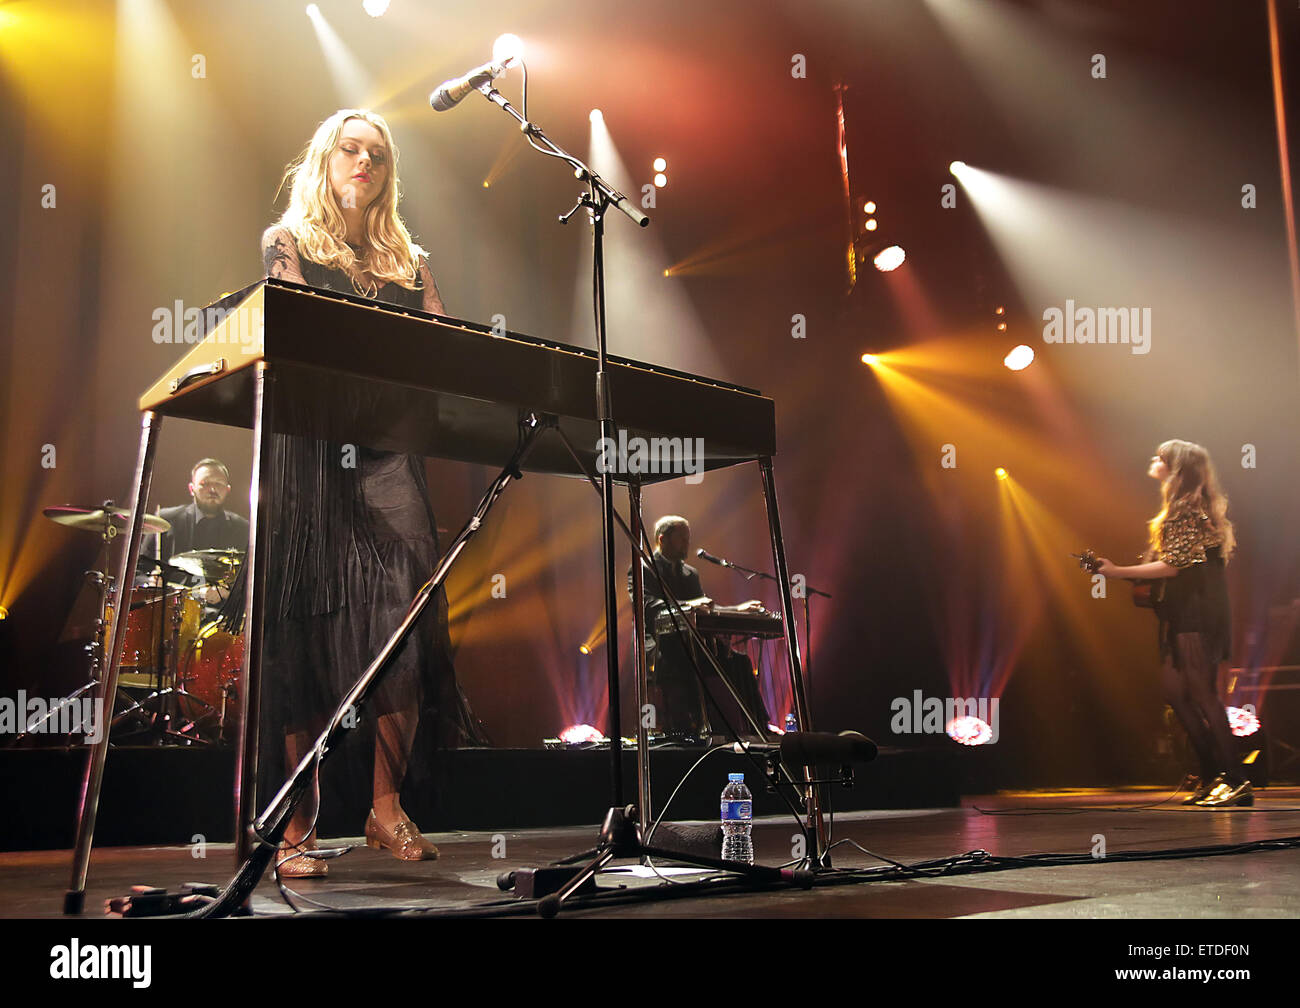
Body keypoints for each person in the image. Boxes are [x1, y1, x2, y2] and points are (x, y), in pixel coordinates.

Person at [259, 108, 465, 876]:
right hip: (313, 452)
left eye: (377, 153)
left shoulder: (409, 260)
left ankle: (385, 810)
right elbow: (294, 333)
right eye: (350, 148)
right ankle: (298, 825)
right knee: (310, 635)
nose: (363, 161)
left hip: (387, 454)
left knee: (407, 626)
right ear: (324, 159)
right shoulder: (288, 242)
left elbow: (443, 345)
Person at [1095, 440, 1248, 807]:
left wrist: (1116, 572)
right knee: (1175, 692)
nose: (1153, 460)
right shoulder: (1181, 510)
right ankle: (1213, 776)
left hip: (1196, 611)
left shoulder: (1186, 511)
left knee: (1203, 694)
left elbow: (1174, 567)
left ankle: (1237, 780)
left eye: (1160, 457)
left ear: (1176, 469)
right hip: (1183, 611)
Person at [629, 515, 771, 738]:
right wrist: (689, 605)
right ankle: (691, 729)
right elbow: (648, 607)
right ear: (662, 539)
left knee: (740, 662)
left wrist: (737, 610)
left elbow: (706, 607)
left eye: (688, 538)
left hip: (692, 644)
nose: (687, 544)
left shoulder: (690, 574)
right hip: (660, 646)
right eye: (681, 539)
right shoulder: (644, 568)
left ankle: (758, 726)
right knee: (690, 663)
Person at [142, 458, 248, 610]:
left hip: (220, 618)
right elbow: (137, 571)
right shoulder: (165, 520)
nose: (213, 489)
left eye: (218, 484)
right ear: (192, 488)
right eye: (205, 483)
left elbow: (251, 581)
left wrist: (227, 592)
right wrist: (151, 582)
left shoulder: (243, 528)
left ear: (227, 489)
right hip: (171, 611)